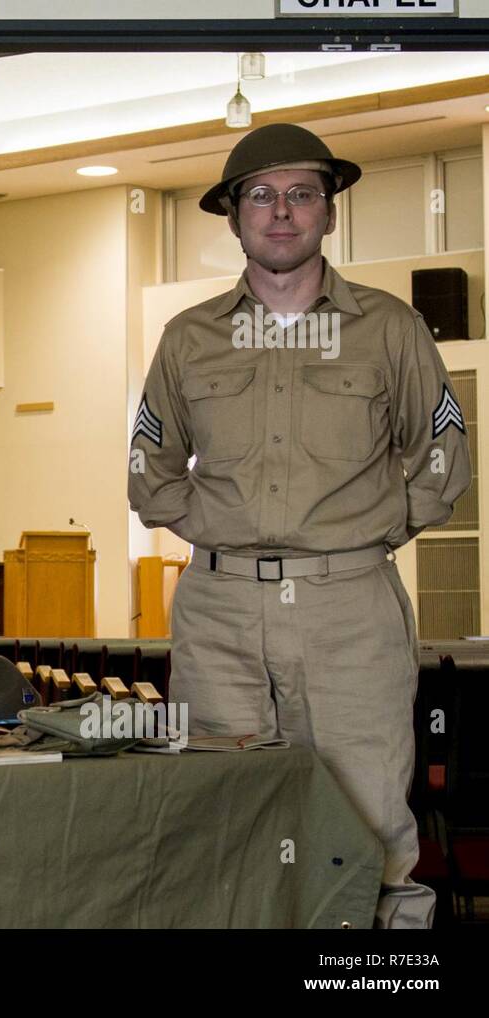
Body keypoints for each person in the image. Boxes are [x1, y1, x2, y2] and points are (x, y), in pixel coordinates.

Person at [128, 122, 470, 930]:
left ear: (329, 212)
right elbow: (151, 467)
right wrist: (215, 532)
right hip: (218, 612)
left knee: (369, 812)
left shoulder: (392, 329)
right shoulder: (189, 338)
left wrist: (371, 531)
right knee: (229, 811)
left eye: (301, 195)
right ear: (234, 216)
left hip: (349, 606)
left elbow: (444, 455)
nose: (281, 212)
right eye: (262, 196)